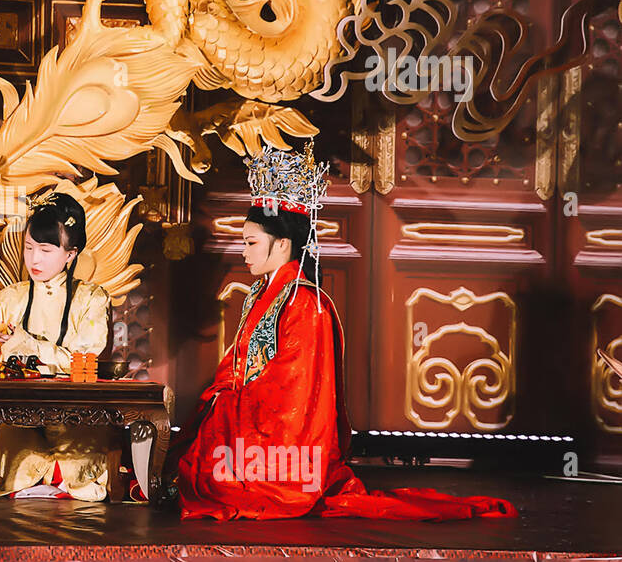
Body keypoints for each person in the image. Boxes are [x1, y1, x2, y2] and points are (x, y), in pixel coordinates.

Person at [173, 142, 517, 521]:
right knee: (200, 464)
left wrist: (232, 405)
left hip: (280, 438)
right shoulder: (261, 294)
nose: (243, 253)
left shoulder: (305, 303)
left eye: (251, 243)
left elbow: (295, 391)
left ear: (283, 243)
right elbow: (238, 362)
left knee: (212, 478)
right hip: (251, 425)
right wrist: (224, 394)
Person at [0, 192, 117, 500]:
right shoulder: (9, 299)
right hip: (20, 429)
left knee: (80, 469)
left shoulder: (91, 299)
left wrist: (26, 344)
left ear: (70, 254)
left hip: (76, 428)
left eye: (46, 250)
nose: (34, 259)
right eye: (28, 248)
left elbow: (83, 357)